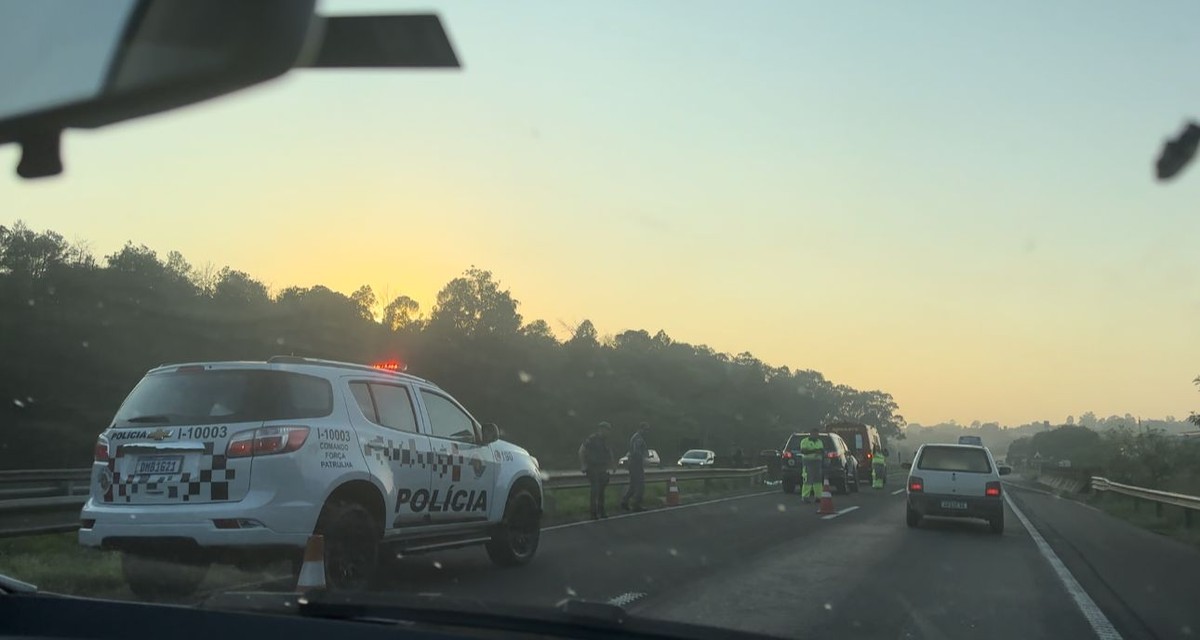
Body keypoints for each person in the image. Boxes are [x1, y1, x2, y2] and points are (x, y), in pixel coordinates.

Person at [578, 421, 614, 519]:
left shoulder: (605, 441)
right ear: (601, 429)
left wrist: (612, 465)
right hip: (592, 467)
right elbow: (581, 450)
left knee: (601, 491)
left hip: (602, 468)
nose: (608, 432)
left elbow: (609, 452)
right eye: (606, 429)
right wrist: (583, 465)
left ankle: (601, 511)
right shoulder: (592, 439)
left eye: (608, 430)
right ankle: (593, 513)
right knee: (595, 490)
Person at [620, 422, 651, 512]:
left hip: (633, 464)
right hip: (636, 464)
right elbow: (636, 451)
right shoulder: (638, 438)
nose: (646, 432)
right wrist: (643, 459)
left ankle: (624, 502)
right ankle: (636, 504)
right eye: (645, 430)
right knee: (640, 485)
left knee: (633, 485)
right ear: (640, 429)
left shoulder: (637, 437)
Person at [799, 427, 825, 503]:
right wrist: (815, 451)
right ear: (810, 433)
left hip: (818, 462)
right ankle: (805, 497)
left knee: (818, 480)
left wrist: (817, 451)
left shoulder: (819, 441)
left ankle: (818, 496)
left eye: (817, 433)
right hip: (808, 462)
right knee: (808, 479)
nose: (816, 435)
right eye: (814, 433)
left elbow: (822, 450)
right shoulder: (805, 441)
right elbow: (804, 451)